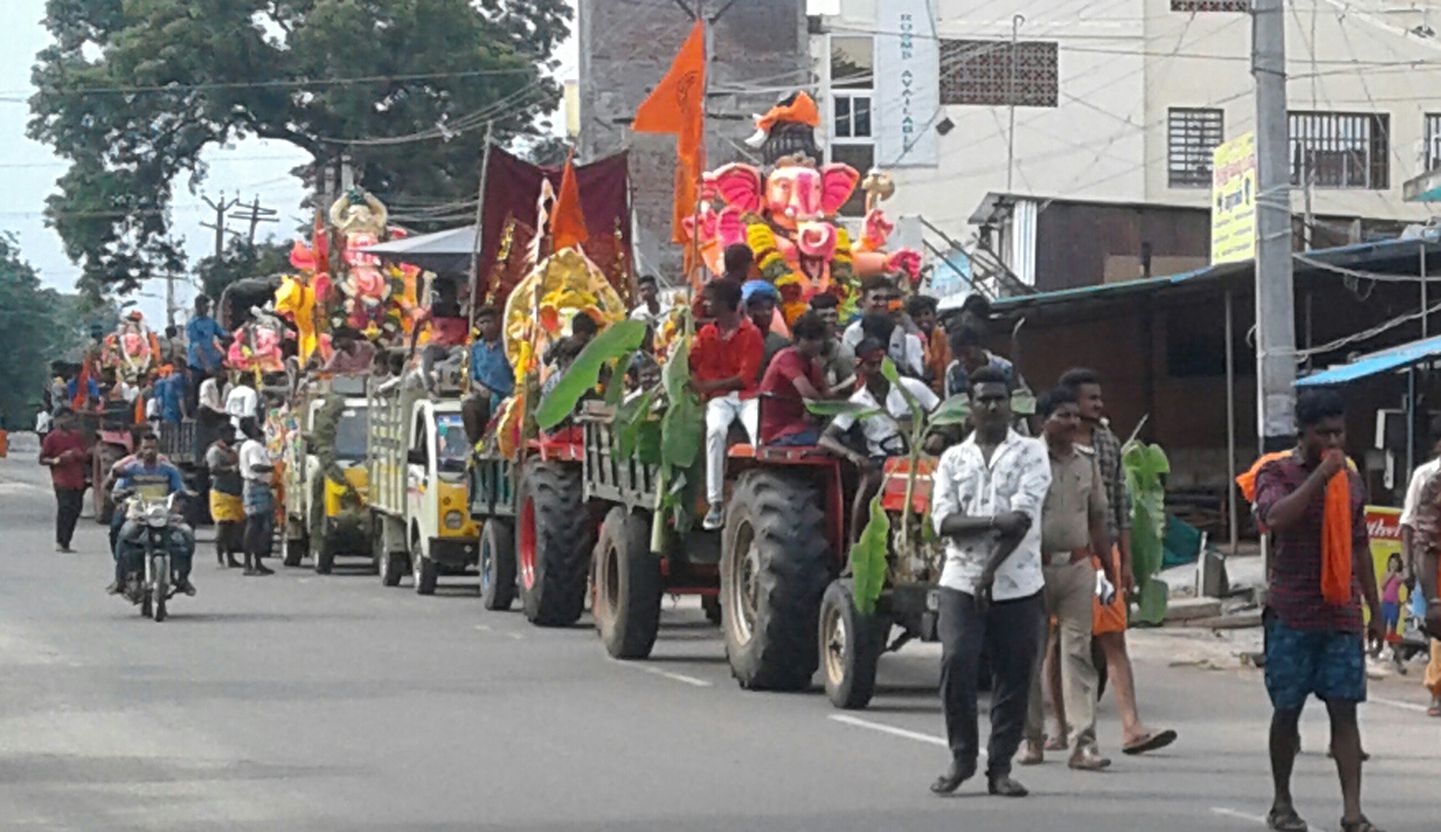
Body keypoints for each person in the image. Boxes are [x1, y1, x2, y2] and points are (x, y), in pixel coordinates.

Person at [1252, 388, 1385, 832]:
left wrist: (1375, 609)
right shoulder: (1277, 473)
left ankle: (1352, 810)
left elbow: (1361, 546)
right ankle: (1282, 803)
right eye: (1322, 432)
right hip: (1292, 612)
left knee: (1345, 710)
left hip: (1340, 614)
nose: (1332, 441)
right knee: (1287, 710)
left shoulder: (1352, 479)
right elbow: (1275, 518)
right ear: (1303, 433)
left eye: (1339, 432)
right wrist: (1319, 479)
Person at [929, 365, 1050, 798]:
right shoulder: (953, 459)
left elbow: (1020, 521)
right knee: (957, 660)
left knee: (1014, 673)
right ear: (970, 407)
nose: (994, 406)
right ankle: (962, 756)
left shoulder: (1032, 453)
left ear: (1012, 404)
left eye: (1001, 398)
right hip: (960, 579)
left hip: (1017, 581)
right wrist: (992, 522)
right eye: (985, 399)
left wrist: (989, 571)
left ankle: (999, 766)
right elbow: (944, 522)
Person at [1057, 367, 1177, 757]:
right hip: (1061, 556)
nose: (1099, 405)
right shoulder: (1049, 446)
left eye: (1099, 399)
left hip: (1101, 551)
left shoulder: (1107, 443)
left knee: (1114, 638)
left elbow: (1119, 505)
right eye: (1091, 399)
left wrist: (1122, 559)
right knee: (1054, 644)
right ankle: (1059, 728)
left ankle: (1132, 727)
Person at [1020, 387, 1115, 771]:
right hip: (1032, 569)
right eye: (1064, 415)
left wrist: (1109, 570)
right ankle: (1033, 739)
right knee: (1029, 654)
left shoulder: (1086, 462)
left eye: (1076, 416)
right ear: (1043, 421)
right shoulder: (1025, 460)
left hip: (1077, 568)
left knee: (1078, 655)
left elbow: (1098, 518)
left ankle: (1084, 743)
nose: (1074, 423)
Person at [818, 337, 940, 542]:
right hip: (881, 462)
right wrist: (853, 455)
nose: (878, 369)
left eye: (881, 363)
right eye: (871, 364)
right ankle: (856, 547)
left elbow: (943, 412)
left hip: (917, 455)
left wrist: (938, 435)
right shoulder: (857, 402)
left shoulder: (910, 387)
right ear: (860, 367)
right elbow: (826, 439)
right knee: (869, 486)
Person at [690, 278, 764, 531]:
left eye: (711, 299)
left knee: (758, 435)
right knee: (715, 431)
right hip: (721, 399)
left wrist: (706, 387)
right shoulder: (706, 333)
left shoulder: (751, 334)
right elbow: (691, 363)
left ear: (724, 303)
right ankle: (715, 502)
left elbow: (745, 378)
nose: (707, 304)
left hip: (746, 397)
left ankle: (760, 486)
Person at [107, 432, 195, 596]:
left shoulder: (168, 470)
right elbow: (117, 489)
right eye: (146, 447)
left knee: (188, 535)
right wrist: (120, 495)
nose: (149, 451)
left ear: (158, 449)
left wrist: (183, 498)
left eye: (153, 448)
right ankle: (120, 577)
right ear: (140, 449)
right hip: (139, 515)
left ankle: (183, 577)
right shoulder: (131, 469)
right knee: (123, 536)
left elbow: (179, 490)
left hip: (163, 514)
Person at [1397, 420, 1441, 716]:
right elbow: (1409, 523)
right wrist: (1408, 567)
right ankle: (1437, 689)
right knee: (1438, 624)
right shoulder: (1426, 476)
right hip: (1434, 559)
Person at [755, 311, 829, 446]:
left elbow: (825, 394)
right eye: (810, 339)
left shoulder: (813, 363)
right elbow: (810, 395)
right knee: (832, 442)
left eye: (819, 338)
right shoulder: (787, 358)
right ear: (796, 339)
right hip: (781, 431)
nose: (816, 344)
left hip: (803, 426)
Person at [842, 276, 925, 378]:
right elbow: (848, 371)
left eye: (887, 299)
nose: (882, 303)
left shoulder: (903, 334)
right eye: (876, 299)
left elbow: (911, 372)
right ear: (862, 302)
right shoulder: (852, 333)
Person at [38, 408, 88, 553]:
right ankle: (61, 541)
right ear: (57, 420)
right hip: (61, 479)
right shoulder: (51, 438)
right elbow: (42, 459)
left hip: (78, 479)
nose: (67, 421)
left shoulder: (77, 436)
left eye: (70, 418)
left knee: (76, 509)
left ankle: (67, 540)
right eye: (64, 418)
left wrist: (78, 455)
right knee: (64, 508)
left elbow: (85, 455)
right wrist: (57, 460)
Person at [463, 305, 514, 444]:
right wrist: (481, 389)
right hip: (484, 394)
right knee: (468, 406)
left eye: (489, 321)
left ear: (497, 322)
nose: (486, 326)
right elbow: (472, 375)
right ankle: (474, 444)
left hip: (506, 395)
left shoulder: (507, 346)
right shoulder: (476, 348)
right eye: (482, 323)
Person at [238, 418, 276, 576]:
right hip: (256, 485)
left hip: (255, 485)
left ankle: (256, 563)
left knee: (258, 527)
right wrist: (273, 467)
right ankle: (249, 564)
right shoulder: (253, 446)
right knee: (254, 525)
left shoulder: (249, 445)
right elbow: (255, 466)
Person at [945, 324, 1022, 398]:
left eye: (966, 353)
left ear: (978, 346)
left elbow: (1019, 398)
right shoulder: (953, 372)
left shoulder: (1005, 368)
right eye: (958, 356)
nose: (963, 359)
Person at [205, 429, 245, 569]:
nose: (232, 437)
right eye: (230, 434)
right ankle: (220, 558)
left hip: (233, 491)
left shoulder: (231, 450)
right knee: (222, 527)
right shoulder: (215, 451)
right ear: (222, 436)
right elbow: (213, 469)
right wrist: (231, 469)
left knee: (232, 528)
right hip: (220, 492)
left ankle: (230, 557)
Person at [809, 294, 857, 391]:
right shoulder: (803, 346)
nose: (829, 320)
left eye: (833, 315)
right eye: (823, 316)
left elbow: (851, 385)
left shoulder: (843, 353)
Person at [186, 296, 226, 404]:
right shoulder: (192, 324)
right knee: (198, 391)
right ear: (198, 306)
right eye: (205, 306)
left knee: (212, 390)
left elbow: (223, 334)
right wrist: (206, 364)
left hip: (212, 362)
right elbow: (196, 346)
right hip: (198, 364)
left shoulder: (211, 322)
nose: (208, 308)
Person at [744, 280, 790, 375]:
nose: (766, 313)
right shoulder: (741, 340)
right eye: (760, 308)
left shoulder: (781, 343)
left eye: (769, 308)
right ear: (749, 311)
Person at [908, 294, 949, 396]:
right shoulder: (919, 341)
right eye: (917, 315)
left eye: (926, 314)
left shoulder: (942, 337)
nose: (923, 318)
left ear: (934, 315)